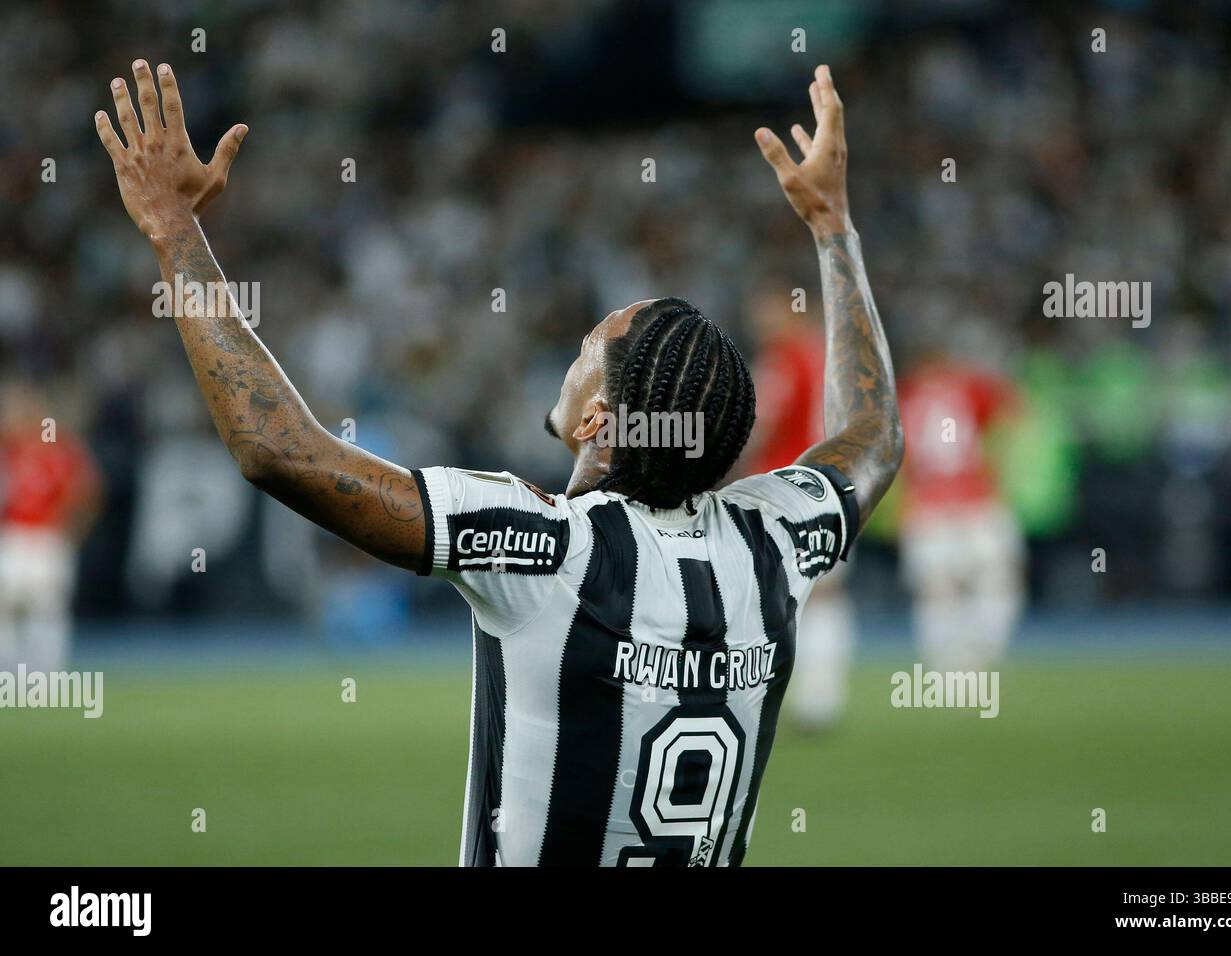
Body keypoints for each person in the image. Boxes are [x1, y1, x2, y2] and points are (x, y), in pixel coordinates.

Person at [94, 60, 901, 866]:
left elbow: (279, 451)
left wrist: (174, 229)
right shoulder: (777, 540)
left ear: (597, 418)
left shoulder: (548, 549)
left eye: (593, 344)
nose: (577, 348)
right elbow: (872, 431)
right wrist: (833, 226)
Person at [740, 285, 854, 730]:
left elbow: (761, 424)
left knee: (764, 596)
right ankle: (821, 698)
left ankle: (762, 696)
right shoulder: (835, 358)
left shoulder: (783, 357)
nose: (758, 320)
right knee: (825, 595)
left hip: (780, 490)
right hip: (832, 489)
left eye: (764, 308)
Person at [896, 353, 1022, 671]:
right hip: (976, 496)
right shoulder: (969, 387)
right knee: (998, 575)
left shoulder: (903, 395)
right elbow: (1014, 411)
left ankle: (944, 660)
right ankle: (985, 648)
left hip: (927, 501)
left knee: (936, 585)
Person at [0, 383, 102, 671]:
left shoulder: (59, 451)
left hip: (48, 537)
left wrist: (70, 534)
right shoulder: (9, 451)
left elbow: (86, 492)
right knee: (6, 605)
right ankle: (8, 668)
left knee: (47, 607)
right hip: (14, 535)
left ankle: (46, 668)